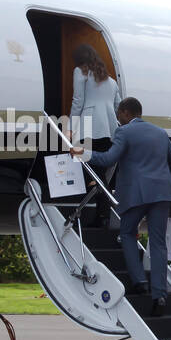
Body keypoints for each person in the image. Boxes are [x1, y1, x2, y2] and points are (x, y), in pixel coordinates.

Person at [71, 97, 171, 316]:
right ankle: (159, 295)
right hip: (162, 195)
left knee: (128, 233)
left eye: (118, 113)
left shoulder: (124, 132)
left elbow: (108, 159)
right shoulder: (160, 132)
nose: (117, 118)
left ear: (124, 112)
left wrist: (83, 153)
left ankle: (140, 281)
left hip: (136, 194)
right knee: (158, 244)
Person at [67, 44, 121, 226]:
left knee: (94, 173)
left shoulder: (80, 72)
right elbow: (117, 106)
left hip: (89, 126)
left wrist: (71, 128)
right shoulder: (111, 81)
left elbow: (78, 101)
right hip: (108, 129)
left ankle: (100, 213)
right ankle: (102, 216)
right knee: (99, 173)